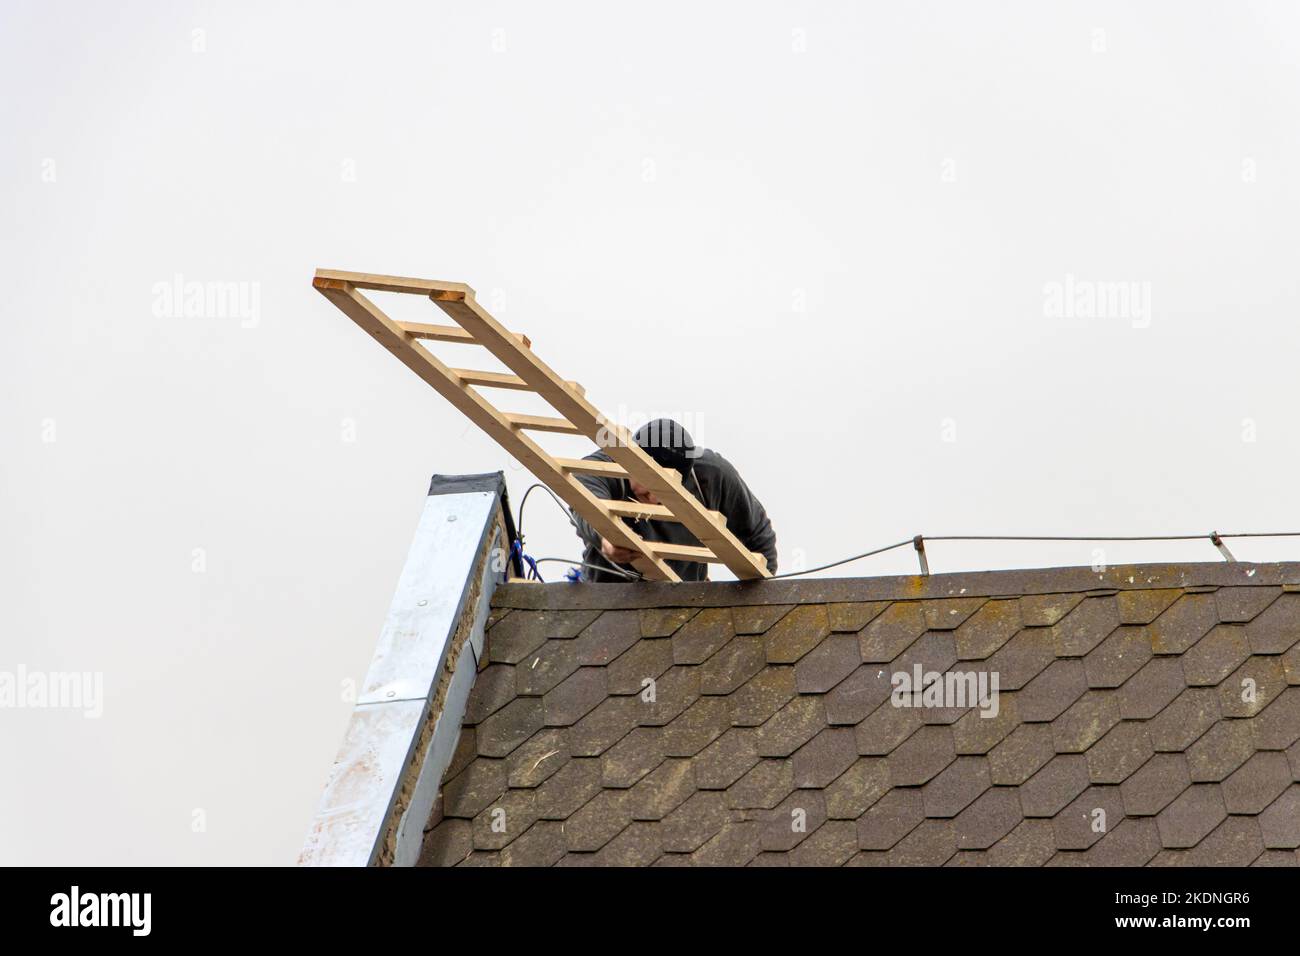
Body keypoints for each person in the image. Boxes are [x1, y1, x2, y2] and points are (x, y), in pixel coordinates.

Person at [570, 418, 777, 581]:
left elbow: (758, 536)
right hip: (607, 597)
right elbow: (583, 501)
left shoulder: (710, 476)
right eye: (645, 490)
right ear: (630, 464)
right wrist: (605, 537)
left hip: (682, 603)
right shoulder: (606, 466)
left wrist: (761, 601)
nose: (651, 499)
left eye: (662, 493)